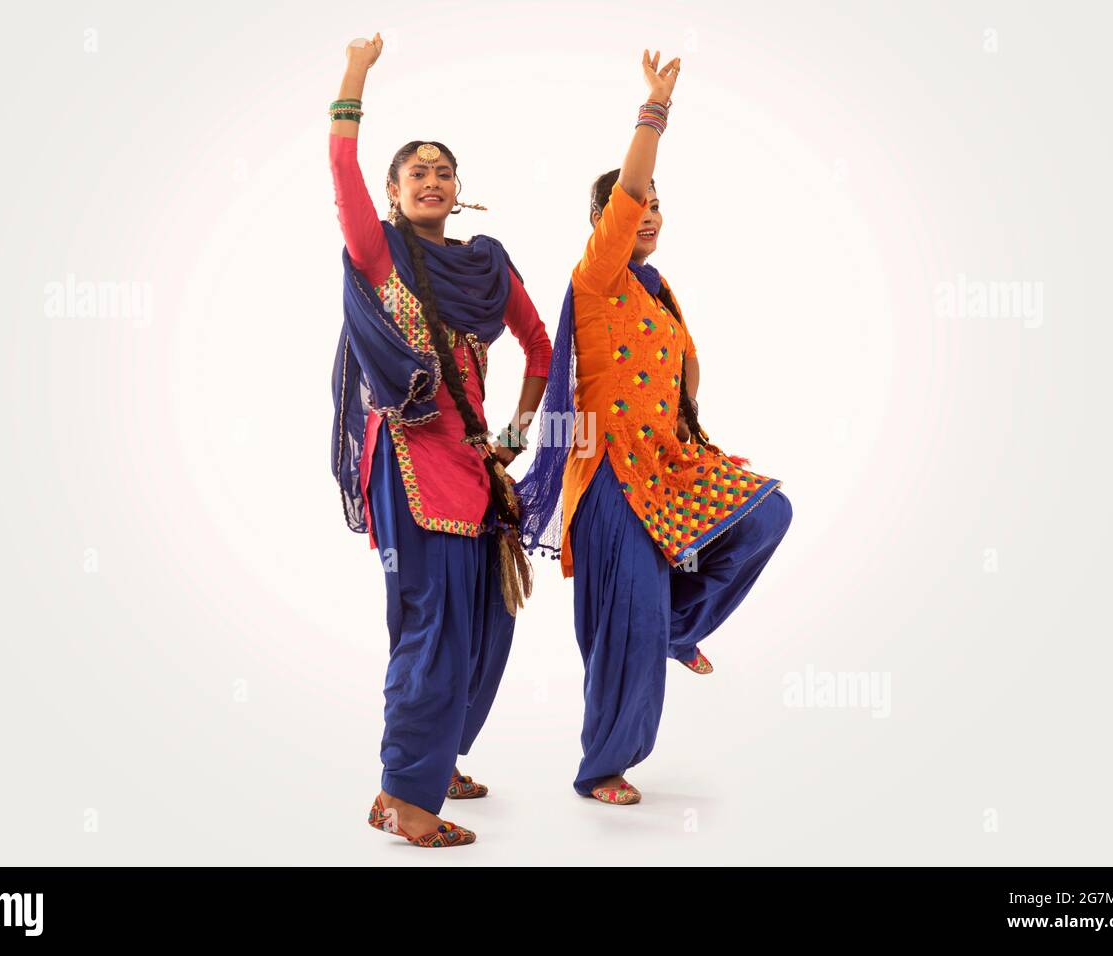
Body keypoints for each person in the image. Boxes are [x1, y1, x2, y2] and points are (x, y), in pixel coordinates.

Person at [515, 50, 793, 805]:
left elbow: (685, 370)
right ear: (610, 221)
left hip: (669, 463)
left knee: (767, 514)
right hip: (607, 473)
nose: (651, 213)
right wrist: (655, 111)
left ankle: (674, 627)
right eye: (640, 206)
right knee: (621, 618)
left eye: (660, 206)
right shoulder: (597, 275)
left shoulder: (658, 285)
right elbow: (631, 184)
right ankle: (604, 763)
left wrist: (685, 425)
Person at [328, 34, 552, 845]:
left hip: (475, 465)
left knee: (490, 622)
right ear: (391, 192)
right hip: (408, 460)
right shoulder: (375, 250)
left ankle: (432, 757)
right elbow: (341, 169)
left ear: (459, 191)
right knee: (434, 621)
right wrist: (356, 76)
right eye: (415, 171)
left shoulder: (485, 268)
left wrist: (516, 437)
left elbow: (542, 350)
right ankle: (409, 800)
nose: (431, 179)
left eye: (443, 171)